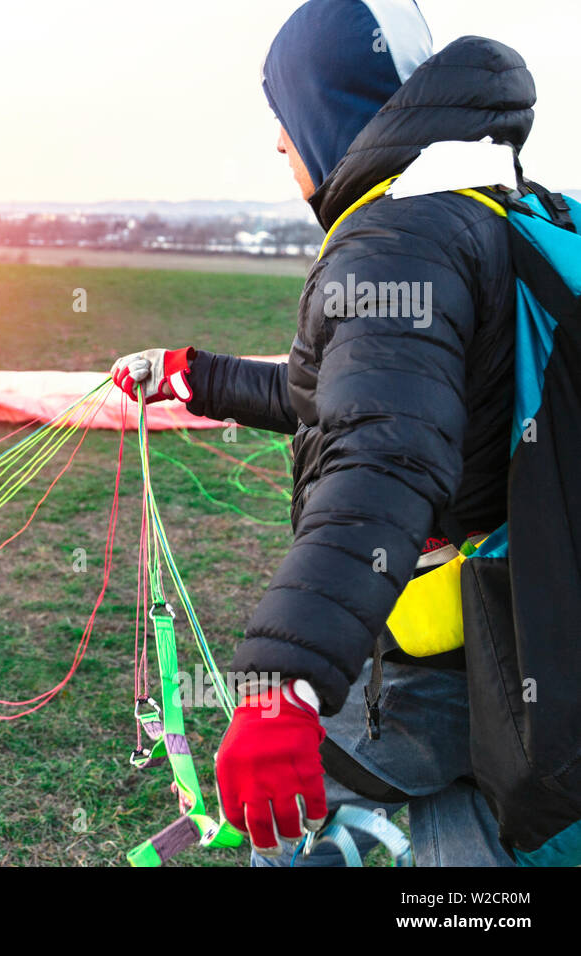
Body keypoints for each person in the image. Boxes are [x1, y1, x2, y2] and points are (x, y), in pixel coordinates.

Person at [111, 0, 535, 865]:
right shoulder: (486, 206)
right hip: (520, 641)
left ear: (330, 106)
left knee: (276, 820)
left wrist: (284, 685)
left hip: (441, 658)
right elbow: (365, 399)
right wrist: (200, 376)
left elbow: (384, 452)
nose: (277, 143)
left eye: (283, 114)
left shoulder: (395, 242)